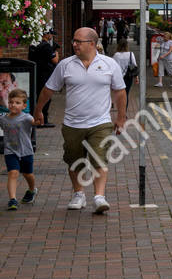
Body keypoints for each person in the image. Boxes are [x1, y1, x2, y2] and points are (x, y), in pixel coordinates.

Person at [33, 27, 127, 214]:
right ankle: (79, 194)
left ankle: (99, 197)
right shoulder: (65, 65)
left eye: (78, 41)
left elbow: (120, 91)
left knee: (99, 159)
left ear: (92, 44)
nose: (74, 44)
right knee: (74, 161)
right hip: (72, 124)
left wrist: (121, 118)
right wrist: (38, 111)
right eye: (74, 41)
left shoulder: (109, 64)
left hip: (100, 122)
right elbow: (48, 89)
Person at [1, 88, 37, 209]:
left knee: (28, 174)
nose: (13, 105)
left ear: (24, 105)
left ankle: (32, 190)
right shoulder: (3, 119)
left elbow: (35, 122)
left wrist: (39, 118)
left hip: (26, 151)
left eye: (17, 103)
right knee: (13, 172)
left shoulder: (26, 117)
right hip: (10, 151)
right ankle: (12, 199)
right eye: (11, 102)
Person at [29, 29, 57, 126]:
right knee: (45, 97)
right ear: (46, 34)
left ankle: (37, 119)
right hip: (45, 74)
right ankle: (43, 120)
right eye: (51, 34)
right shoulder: (47, 46)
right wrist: (56, 51)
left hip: (36, 73)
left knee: (37, 95)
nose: (52, 36)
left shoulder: (35, 45)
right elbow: (55, 61)